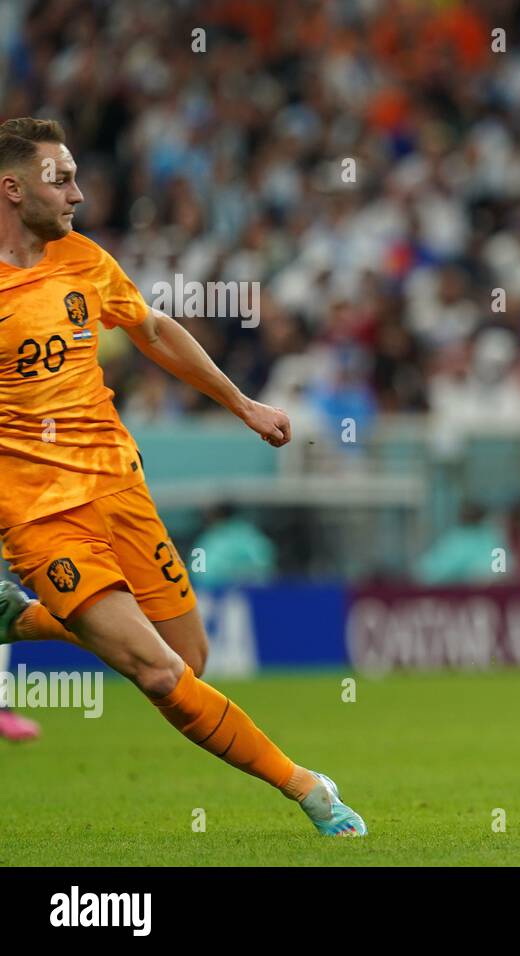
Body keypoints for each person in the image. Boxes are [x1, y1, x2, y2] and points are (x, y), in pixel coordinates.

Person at [0, 118, 364, 834]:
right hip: (42, 515)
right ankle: (308, 789)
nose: (77, 193)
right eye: (60, 179)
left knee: (188, 662)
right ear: (12, 190)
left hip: (118, 487)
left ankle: (18, 618)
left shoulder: (82, 259)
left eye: (75, 175)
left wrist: (242, 403)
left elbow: (155, 331)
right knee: (160, 674)